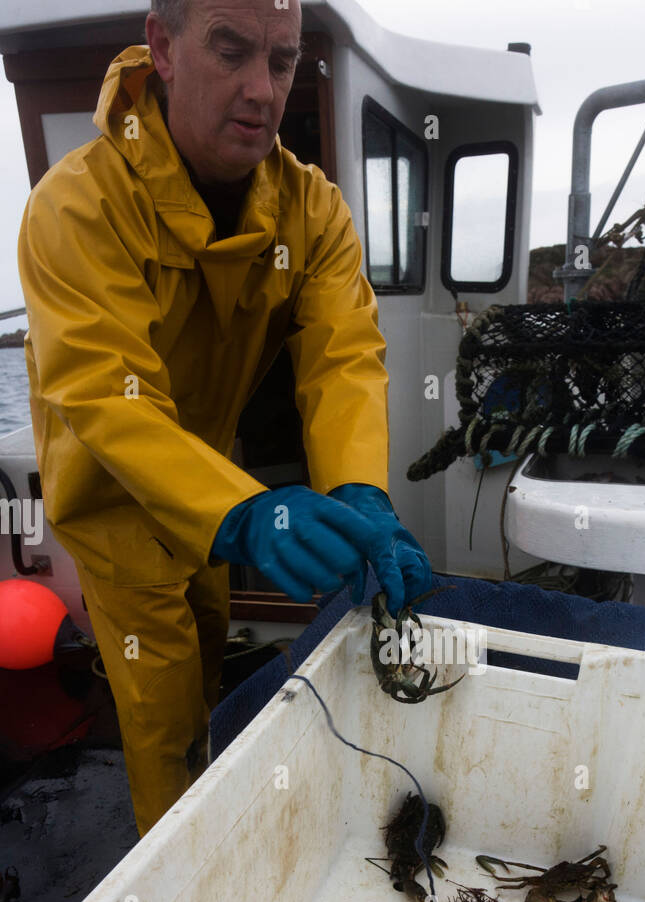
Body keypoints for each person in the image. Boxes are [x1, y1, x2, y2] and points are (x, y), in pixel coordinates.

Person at [18, 0, 431, 838]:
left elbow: (343, 352)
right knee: (164, 712)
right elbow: (103, 387)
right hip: (117, 501)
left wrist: (360, 489)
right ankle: (179, 880)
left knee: (208, 657)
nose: (261, 90)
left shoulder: (310, 207)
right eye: (231, 50)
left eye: (281, 61)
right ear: (162, 48)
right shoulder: (76, 207)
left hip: (210, 477)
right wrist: (239, 510)